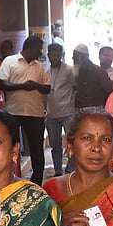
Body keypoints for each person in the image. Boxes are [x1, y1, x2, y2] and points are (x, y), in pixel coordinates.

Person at [0, 35, 52, 185]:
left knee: (36, 151)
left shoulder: (39, 67)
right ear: (30, 48)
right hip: (13, 112)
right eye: (39, 49)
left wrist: (35, 86)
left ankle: (36, 183)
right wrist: (22, 86)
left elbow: (47, 88)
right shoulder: (10, 61)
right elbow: (1, 84)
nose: (40, 52)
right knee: (9, 146)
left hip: (35, 113)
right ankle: (9, 179)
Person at [45, 42, 77, 177]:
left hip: (68, 113)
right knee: (55, 145)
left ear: (62, 55)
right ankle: (58, 171)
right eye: (53, 54)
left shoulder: (69, 70)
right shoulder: (45, 72)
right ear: (48, 56)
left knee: (72, 142)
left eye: (58, 54)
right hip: (51, 115)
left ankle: (70, 170)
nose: (55, 57)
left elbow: (76, 87)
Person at [72, 44, 113, 111]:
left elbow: (109, 93)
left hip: (97, 112)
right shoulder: (77, 72)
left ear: (80, 57)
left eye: (74, 57)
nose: (73, 59)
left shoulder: (99, 72)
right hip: (81, 111)